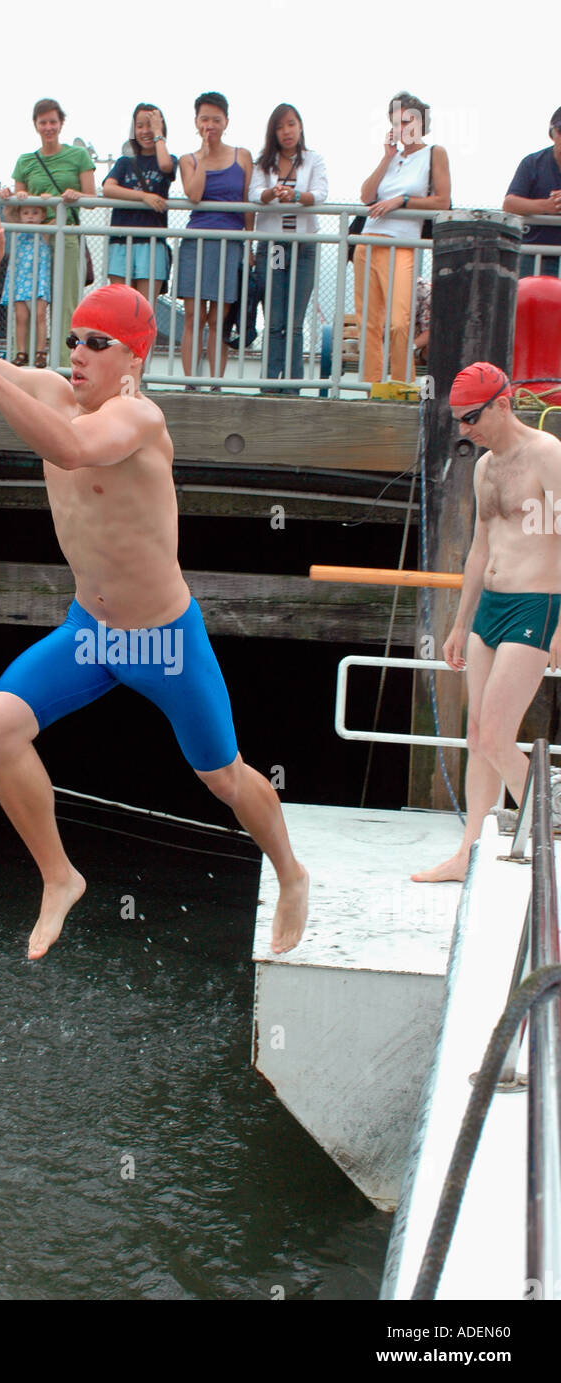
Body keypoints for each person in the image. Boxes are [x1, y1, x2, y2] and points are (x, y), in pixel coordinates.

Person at [0, 202, 309, 961]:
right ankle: (60, 877)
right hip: (91, 634)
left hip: (163, 642)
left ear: (134, 360)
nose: (79, 354)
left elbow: (67, 444)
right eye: (74, 340)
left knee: (224, 777)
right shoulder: (54, 391)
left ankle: (289, 871)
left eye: (98, 344)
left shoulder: (138, 420)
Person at [412, 363, 561, 884]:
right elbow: (478, 549)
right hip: (491, 610)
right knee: (477, 735)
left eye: (471, 417)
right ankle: (468, 852)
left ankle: (553, 828)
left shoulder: (547, 455)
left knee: (499, 736)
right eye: (458, 420)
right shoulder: (483, 468)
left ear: (503, 403)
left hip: (536, 605)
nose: (464, 430)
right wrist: (459, 623)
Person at [355, 91, 450, 383]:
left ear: (421, 123)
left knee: (398, 323)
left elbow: (442, 202)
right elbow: (366, 196)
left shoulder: (434, 152)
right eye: (395, 122)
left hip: (402, 246)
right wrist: (386, 157)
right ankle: (372, 388)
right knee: (369, 325)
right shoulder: (392, 158)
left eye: (407, 121)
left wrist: (402, 200)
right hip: (369, 242)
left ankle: (400, 385)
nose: (401, 128)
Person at [0, 99, 96, 368]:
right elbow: (17, 210)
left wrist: (77, 195)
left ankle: (66, 364)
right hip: (33, 241)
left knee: (66, 303)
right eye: (43, 122)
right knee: (28, 302)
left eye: (53, 121)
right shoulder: (26, 161)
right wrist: (8, 196)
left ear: (61, 123)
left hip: (66, 236)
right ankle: (28, 361)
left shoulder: (78, 156)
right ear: (36, 125)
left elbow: (93, 197)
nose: (48, 127)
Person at [249, 104, 327, 393]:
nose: (287, 131)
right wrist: (272, 194)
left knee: (295, 322)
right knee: (274, 321)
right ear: (273, 132)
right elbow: (254, 194)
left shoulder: (313, 159)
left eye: (291, 124)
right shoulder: (263, 163)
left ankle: (293, 387)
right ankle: (269, 386)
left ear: (300, 126)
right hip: (274, 246)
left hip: (303, 246)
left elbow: (320, 194)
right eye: (281, 127)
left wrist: (296, 195)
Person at [177, 92, 252, 387]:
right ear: (196, 122)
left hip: (230, 243)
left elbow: (247, 202)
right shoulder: (188, 159)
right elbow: (194, 194)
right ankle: (191, 382)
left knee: (219, 318)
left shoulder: (242, 156)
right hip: (197, 241)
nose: (210, 125)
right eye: (204, 119)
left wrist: (249, 242)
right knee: (194, 315)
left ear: (227, 122)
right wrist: (205, 155)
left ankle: (216, 382)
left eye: (216, 119)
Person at [103, 103, 176, 306]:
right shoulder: (124, 162)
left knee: (144, 308)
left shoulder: (169, 159)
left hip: (151, 242)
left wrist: (158, 133)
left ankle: (144, 340)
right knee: (121, 306)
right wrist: (144, 196)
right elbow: (108, 188)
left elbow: (165, 166)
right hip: (121, 241)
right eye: (140, 125)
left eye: (150, 125)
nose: (145, 131)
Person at [502, 107, 561, 278]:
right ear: (552, 133)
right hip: (535, 255)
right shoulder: (532, 163)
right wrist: (548, 206)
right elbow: (510, 204)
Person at [1, 201, 51, 366]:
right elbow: (7, 212)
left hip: (39, 279)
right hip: (20, 278)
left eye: (35, 212)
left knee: (40, 315)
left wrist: (48, 200)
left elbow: (59, 217)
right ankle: (21, 351)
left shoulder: (44, 232)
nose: (30, 216)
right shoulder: (18, 230)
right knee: (21, 317)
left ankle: (41, 351)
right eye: (26, 213)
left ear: (43, 215)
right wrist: (14, 198)